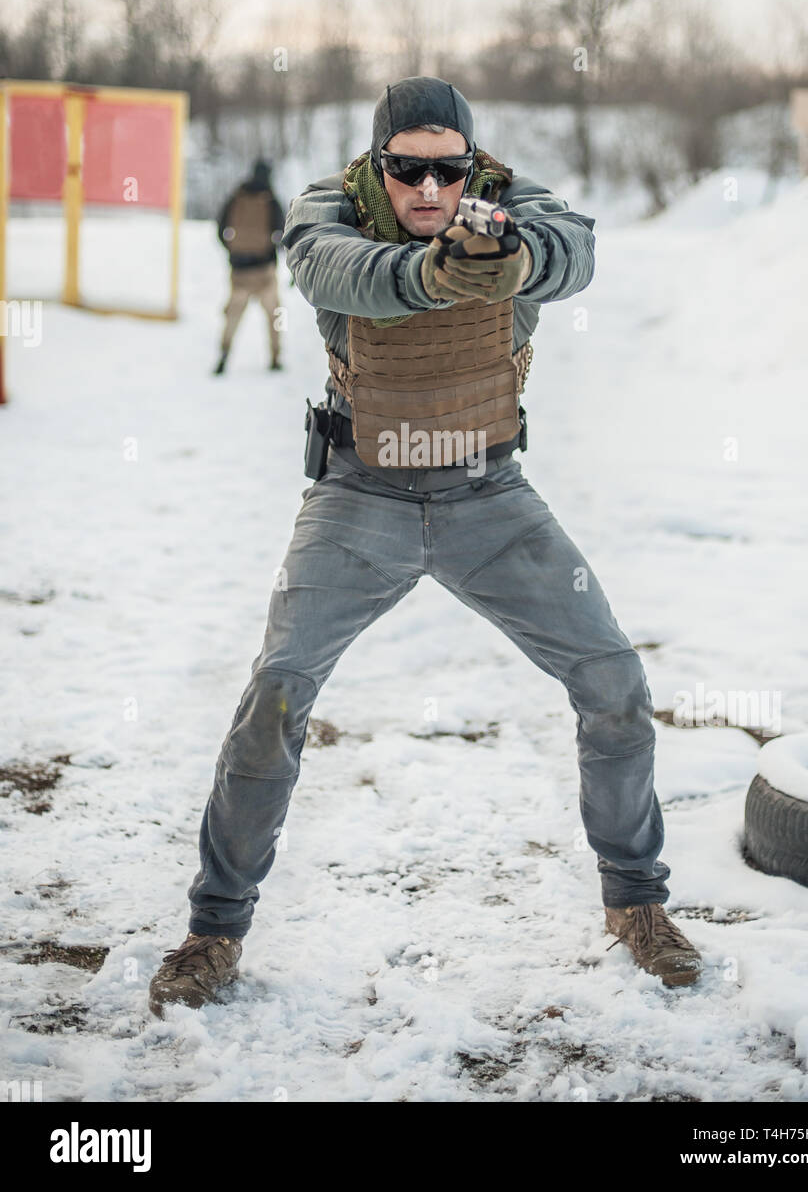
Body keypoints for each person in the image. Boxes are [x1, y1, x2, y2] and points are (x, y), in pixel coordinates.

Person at [149, 76, 701, 1018]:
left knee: (613, 683)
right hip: (360, 494)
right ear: (378, 162)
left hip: (488, 495)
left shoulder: (513, 202)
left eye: (447, 169)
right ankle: (214, 927)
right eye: (406, 167)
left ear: (472, 165)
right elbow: (325, 267)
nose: (428, 189)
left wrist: (515, 256)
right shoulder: (330, 205)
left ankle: (636, 905)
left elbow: (578, 252)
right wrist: (432, 275)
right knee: (276, 691)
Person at [214, 159, 286, 374]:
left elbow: (220, 228)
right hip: (264, 271)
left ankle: (224, 353)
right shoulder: (271, 199)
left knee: (232, 316)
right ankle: (275, 357)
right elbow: (281, 232)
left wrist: (232, 251)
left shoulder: (236, 196)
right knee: (276, 316)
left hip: (239, 271)